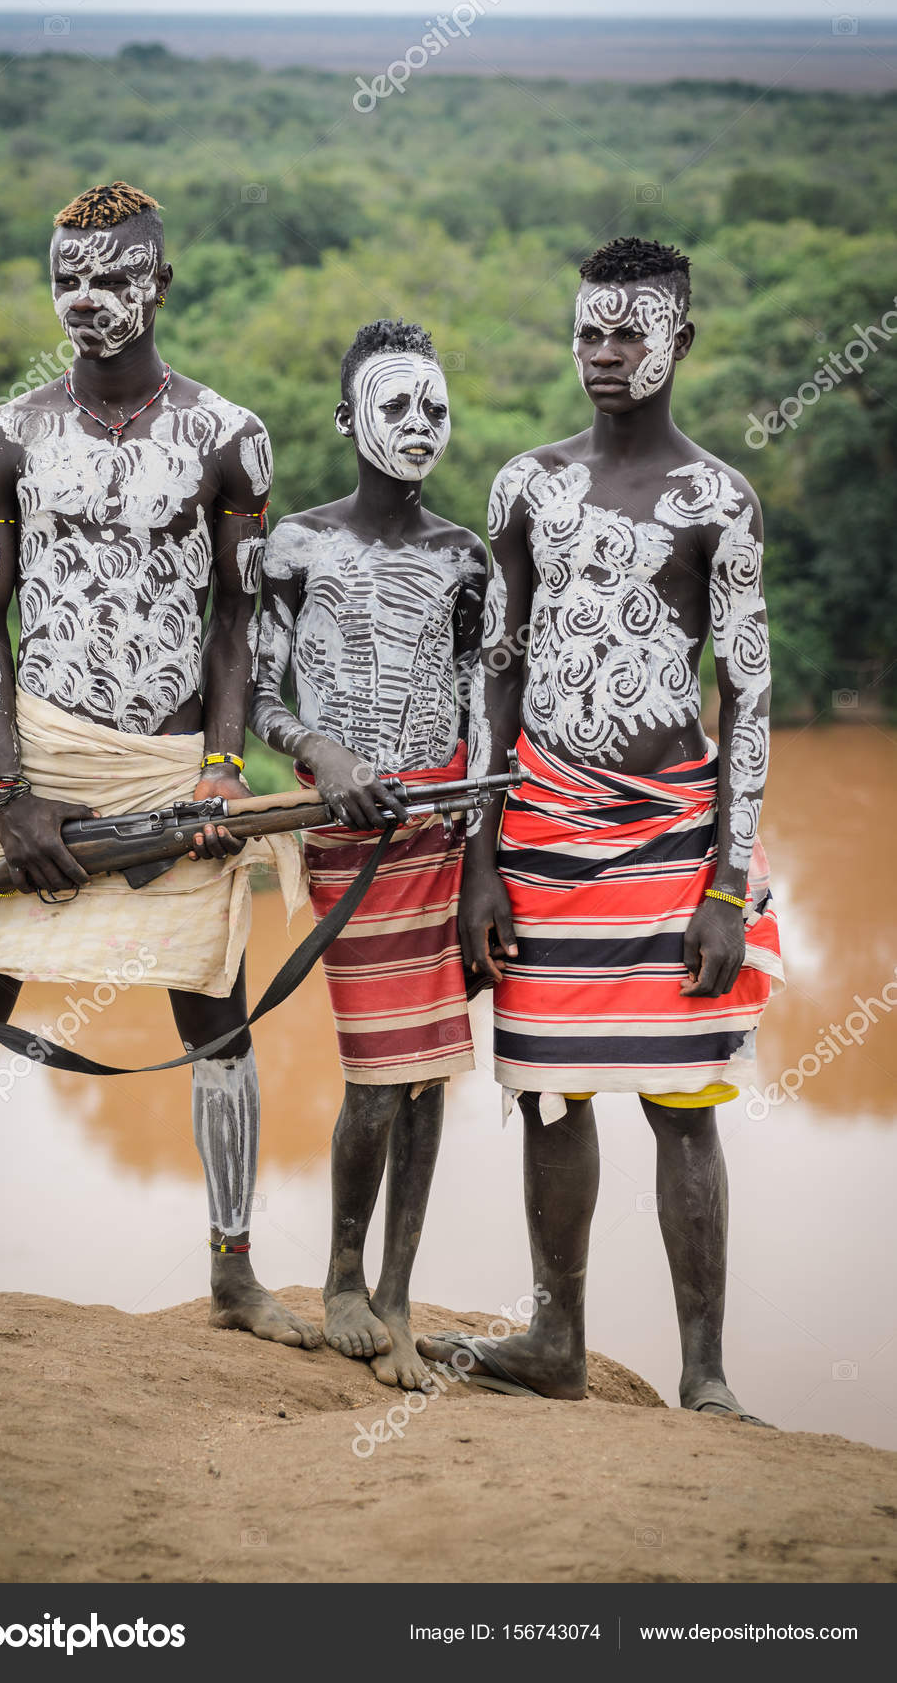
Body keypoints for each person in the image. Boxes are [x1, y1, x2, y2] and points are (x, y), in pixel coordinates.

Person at [0, 180, 319, 1352]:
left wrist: (221, 772)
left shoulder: (228, 436)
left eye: (113, 276)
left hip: (175, 762)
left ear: (161, 282)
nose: (87, 299)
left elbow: (237, 620)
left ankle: (234, 1274)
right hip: (42, 754)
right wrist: (10, 795)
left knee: (218, 1016)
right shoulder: (0, 438)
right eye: (67, 276)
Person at [418, 238, 783, 1422]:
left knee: (683, 1104)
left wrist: (727, 883)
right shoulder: (525, 485)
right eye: (588, 332)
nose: (605, 354)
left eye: (629, 332)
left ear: (681, 339)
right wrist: (481, 861)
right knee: (548, 1091)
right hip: (538, 828)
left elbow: (750, 693)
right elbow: (496, 677)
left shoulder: (720, 500)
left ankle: (705, 1370)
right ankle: (556, 1336)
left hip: (672, 839)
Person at [251, 318, 488, 1389]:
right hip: (348, 835)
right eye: (395, 405)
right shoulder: (294, 544)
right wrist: (321, 749)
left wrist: (481, 854)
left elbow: (484, 708)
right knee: (377, 1075)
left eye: (435, 406)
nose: (418, 424)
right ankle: (342, 1277)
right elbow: (259, 697)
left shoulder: (465, 557)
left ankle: (396, 1292)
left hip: (443, 827)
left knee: (432, 1073)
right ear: (348, 418)